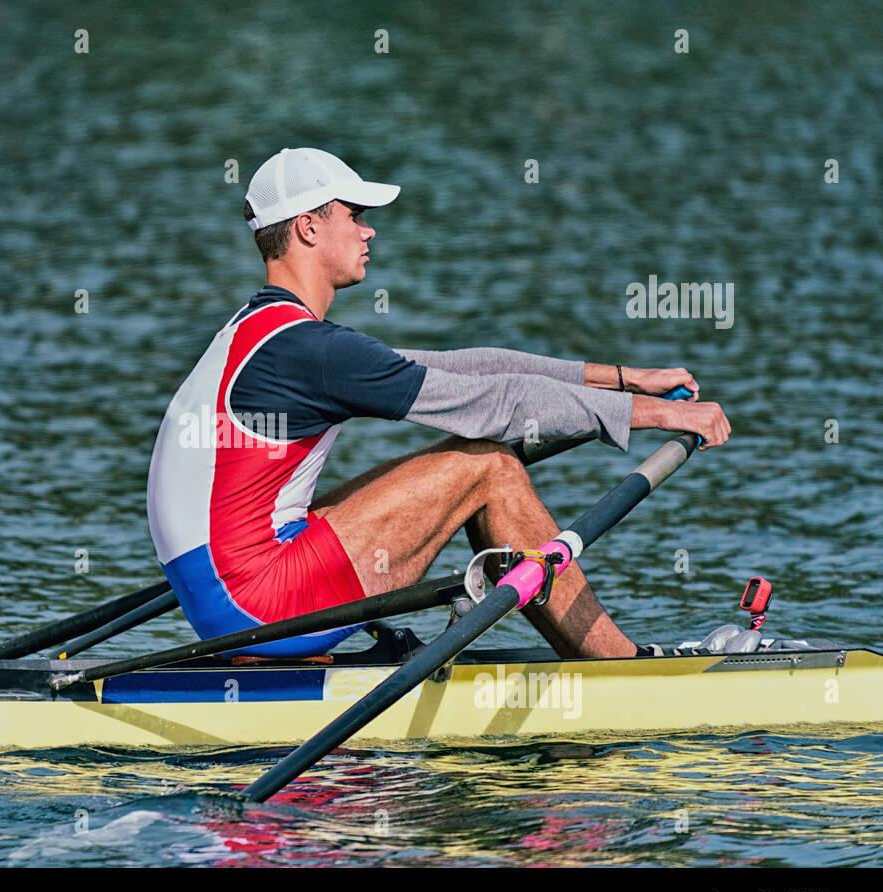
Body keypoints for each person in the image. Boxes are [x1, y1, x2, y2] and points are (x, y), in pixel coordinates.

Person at [147, 147, 731, 661]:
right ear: (308, 227)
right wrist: (662, 415)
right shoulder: (312, 350)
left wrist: (625, 380)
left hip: (223, 598)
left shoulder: (268, 332)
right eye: (355, 216)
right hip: (257, 605)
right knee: (487, 465)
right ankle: (620, 667)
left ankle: (281, 660)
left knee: (473, 451)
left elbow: (469, 367)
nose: (368, 232)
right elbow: (494, 405)